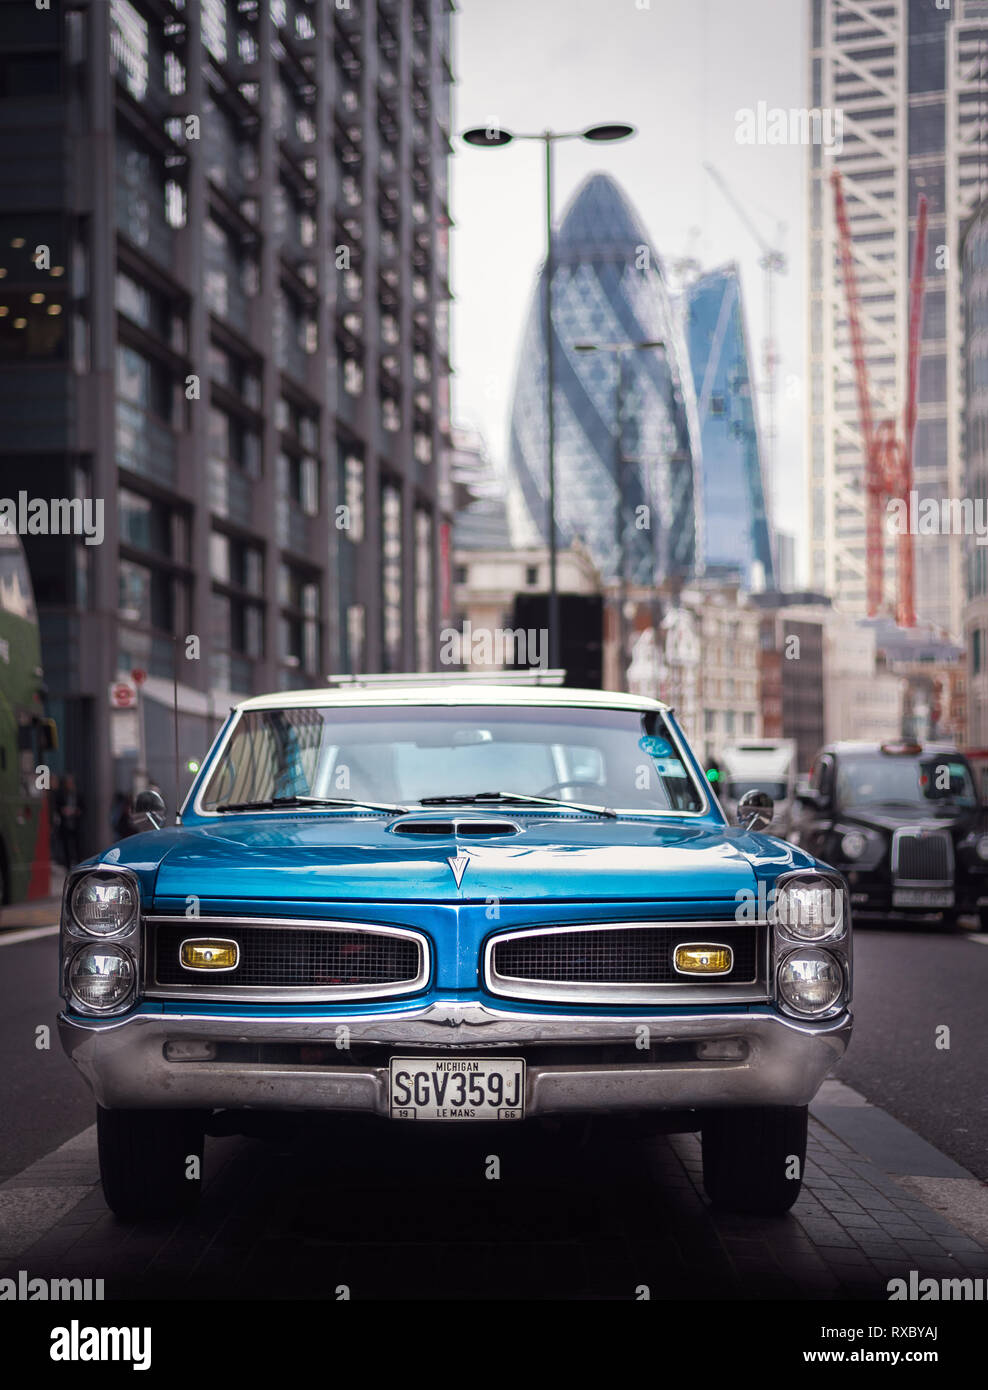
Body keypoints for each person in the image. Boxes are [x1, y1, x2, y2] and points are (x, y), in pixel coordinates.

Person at [55, 773, 84, 868]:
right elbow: (57, 807)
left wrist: (76, 811)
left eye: (70, 783)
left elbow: (83, 808)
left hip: (76, 824)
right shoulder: (61, 795)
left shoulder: (78, 795)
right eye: (67, 783)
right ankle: (68, 866)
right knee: (66, 847)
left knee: (78, 846)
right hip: (65, 824)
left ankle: (79, 864)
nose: (69, 785)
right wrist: (63, 810)